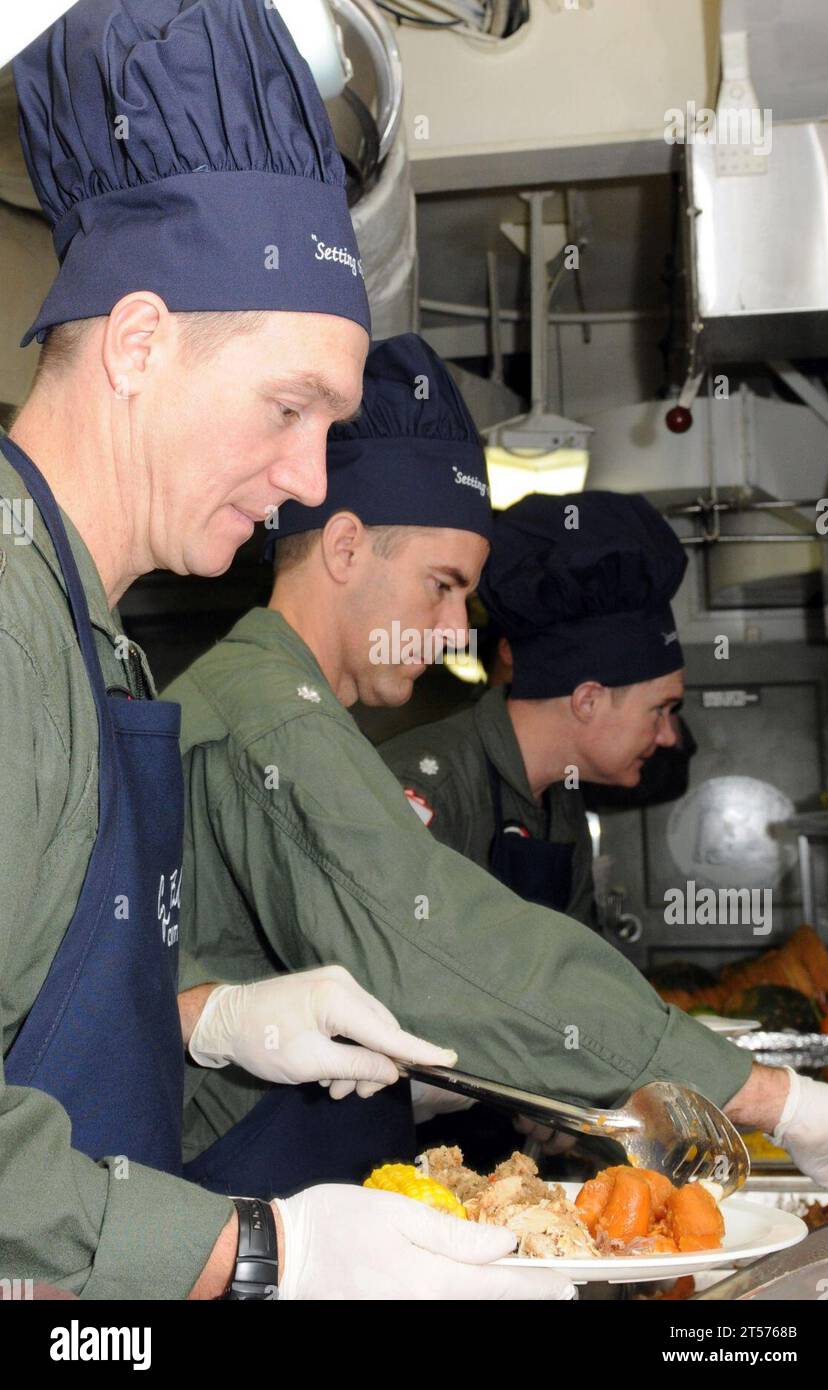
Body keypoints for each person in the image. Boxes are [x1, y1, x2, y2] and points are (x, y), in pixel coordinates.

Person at [0, 0, 568, 1302]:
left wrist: (218, 1022)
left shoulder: (97, 639)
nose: (309, 478)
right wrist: (261, 1251)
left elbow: (44, 1042)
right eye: (290, 404)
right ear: (139, 342)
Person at [164, 331, 828, 1216]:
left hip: (300, 1181)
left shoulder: (282, 704)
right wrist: (775, 1100)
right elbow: (443, 952)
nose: (455, 635)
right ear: (342, 547)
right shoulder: (276, 717)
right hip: (242, 1192)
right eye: (440, 587)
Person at [380, 490, 690, 922]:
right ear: (588, 700)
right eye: (660, 709)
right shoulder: (430, 789)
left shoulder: (559, 801)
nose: (669, 735)